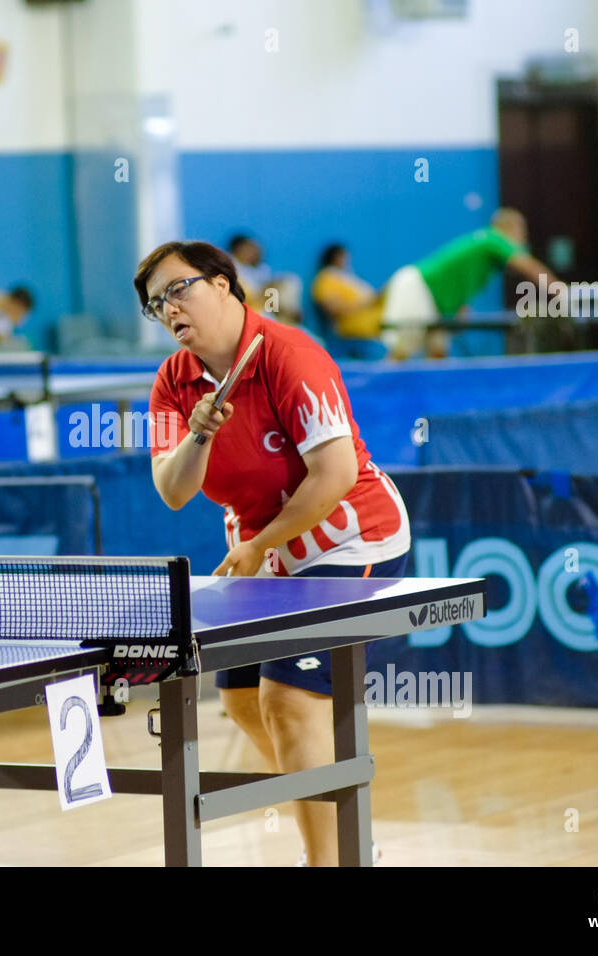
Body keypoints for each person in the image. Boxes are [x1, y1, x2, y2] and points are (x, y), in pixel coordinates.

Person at [137, 240, 410, 867]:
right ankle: (342, 822)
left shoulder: (291, 354)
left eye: (179, 289)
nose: (169, 308)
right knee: (239, 699)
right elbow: (172, 491)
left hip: (350, 536)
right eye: (156, 304)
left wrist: (261, 543)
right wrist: (198, 434)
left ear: (224, 284)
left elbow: (335, 472)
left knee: (286, 700)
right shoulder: (171, 384)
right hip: (271, 557)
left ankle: (332, 859)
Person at [382, 208, 563, 359]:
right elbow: (528, 266)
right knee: (401, 352)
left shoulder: (486, 248)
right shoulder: (493, 239)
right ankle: (377, 398)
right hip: (418, 287)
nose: (524, 237)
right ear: (508, 228)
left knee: (438, 352)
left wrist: (460, 306)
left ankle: (435, 401)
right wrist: (560, 291)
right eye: (522, 230)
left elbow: (458, 278)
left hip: (436, 298)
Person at [311, 243, 384, 361]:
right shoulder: (326, 279)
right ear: (334, 257)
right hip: (349, 340)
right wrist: (364, 303)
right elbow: (332, 309)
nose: (346, 260)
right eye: (342, 256)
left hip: (371, 338)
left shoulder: (348, 279)